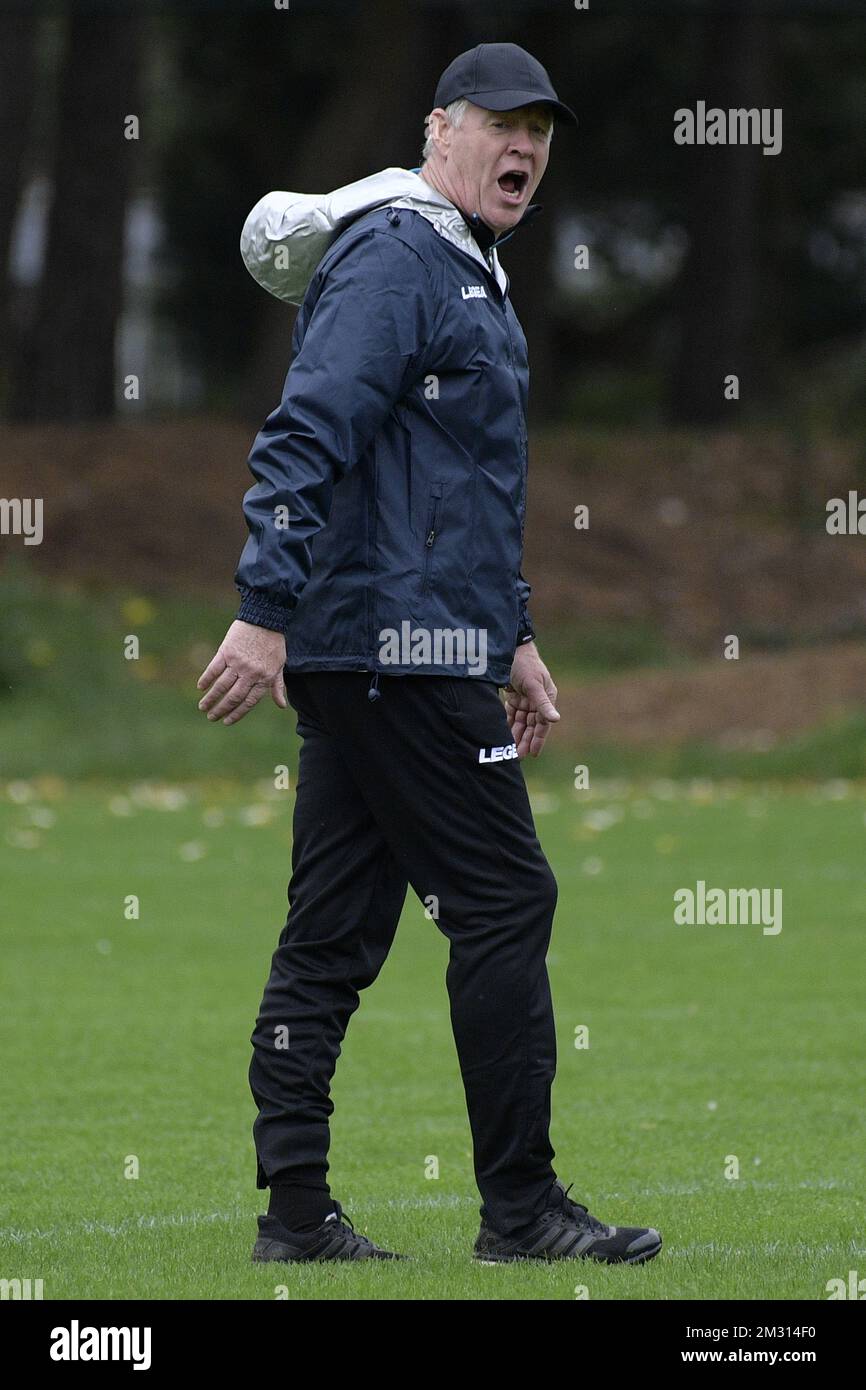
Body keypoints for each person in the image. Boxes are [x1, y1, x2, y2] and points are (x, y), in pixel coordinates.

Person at [197, 42, 662, 1266]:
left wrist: (511, 635)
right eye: (498, 123)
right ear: (436, 130)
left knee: (332, 933)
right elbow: (307, 427)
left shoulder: (464, 268)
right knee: (508, 898)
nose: (521, 147)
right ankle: (520, 1211)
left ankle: (293, 1215)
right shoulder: (399, 255)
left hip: (408, 645)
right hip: (394, 650)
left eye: (540, 133)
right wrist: (262, 604)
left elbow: (458, 482)